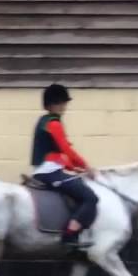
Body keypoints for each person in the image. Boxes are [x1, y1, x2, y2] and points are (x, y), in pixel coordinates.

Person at [30, 83, 98, 248]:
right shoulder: (54, 123)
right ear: (53, 104)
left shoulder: (45, 121)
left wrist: (74, 168)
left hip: (50, 169)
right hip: (48, 172)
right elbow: (65, 149)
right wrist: (86, 166)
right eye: (62, 103)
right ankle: (70, 234)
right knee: (90, 197)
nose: (64, 107)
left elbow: (56, 154)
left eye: (64, 103)